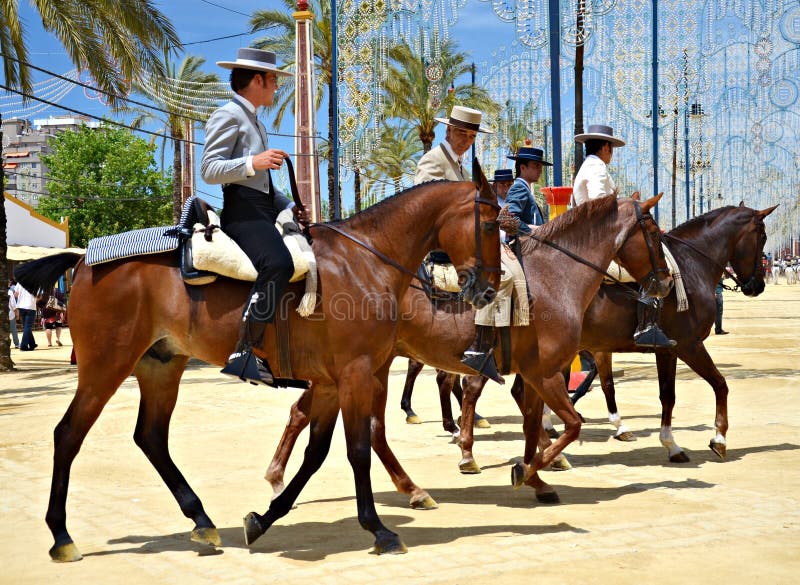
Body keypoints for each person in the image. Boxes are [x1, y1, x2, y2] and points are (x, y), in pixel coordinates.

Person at [200, 47, 305, 388]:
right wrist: (253, 163)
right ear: (257, 80)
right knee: (278, 263)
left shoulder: (255, 121)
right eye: (274, 80)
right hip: (241, 212)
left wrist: (288, 205)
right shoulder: (228, 114)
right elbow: (209, 169)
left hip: (261, 208)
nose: (277, 87)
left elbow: (264, 186)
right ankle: (243, 350)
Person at [573, 124, 674, 348]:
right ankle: (645, 327)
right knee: (643, 268)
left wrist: (630, 201)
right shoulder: (597, 167)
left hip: (592, 237)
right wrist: (630, 209)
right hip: (600, 240)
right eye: (612, 149)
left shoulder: (588, 166)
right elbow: (601, 205)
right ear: (606, 147)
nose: (612, 153)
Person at [13, 281, 37, 351]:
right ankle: (23, 345)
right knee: (28, 326)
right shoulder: (36, 282)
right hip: (30, 306)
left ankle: (32, 344)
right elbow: (38, 295)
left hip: (21, 306)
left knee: (26, 326)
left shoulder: (20, 281)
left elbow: (16, 294)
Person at [8, 280, 19, 349]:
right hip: (10, 314)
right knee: (13, 329)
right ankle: (17, 344)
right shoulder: (9, 292)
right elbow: (13, 305)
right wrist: (17, 314)